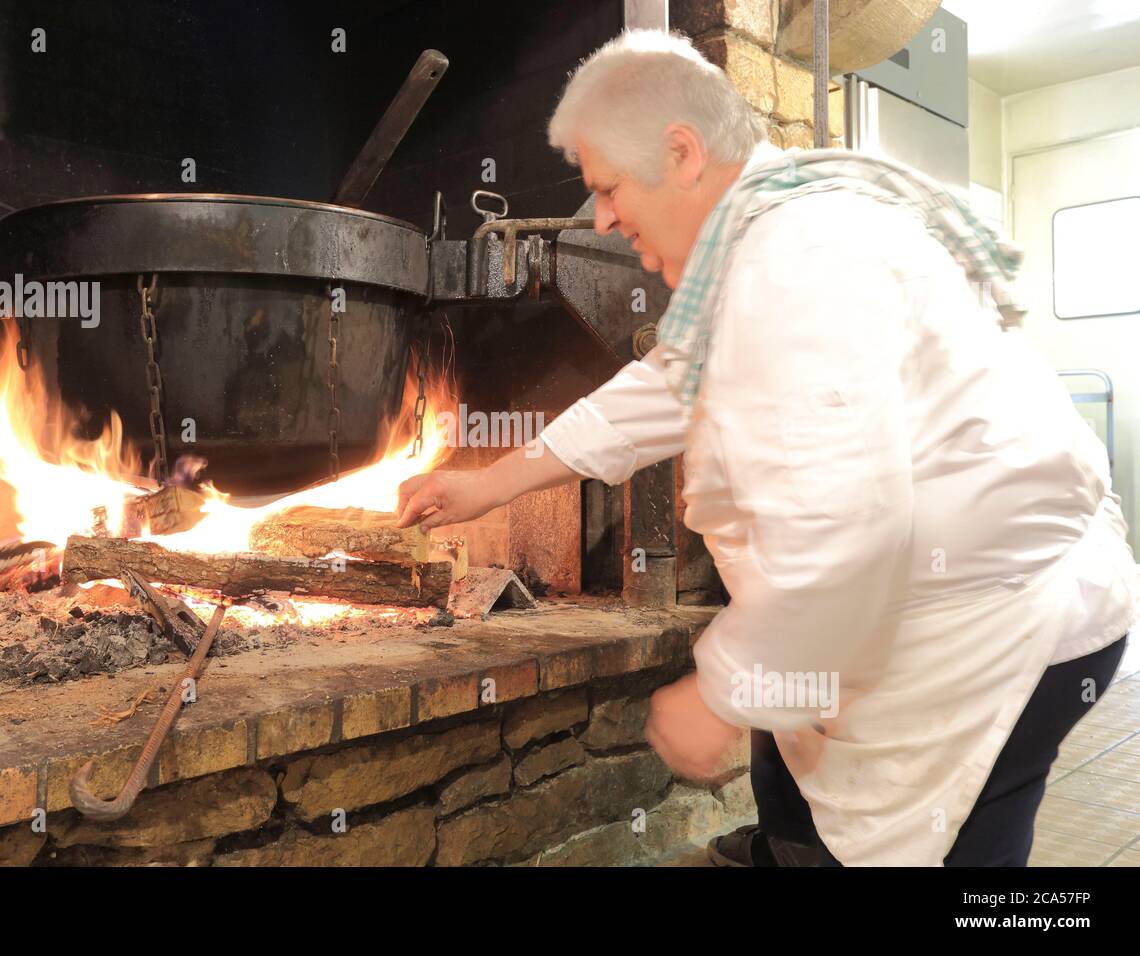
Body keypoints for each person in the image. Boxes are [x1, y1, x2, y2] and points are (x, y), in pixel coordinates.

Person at [394, 29, 1137, 866]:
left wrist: (720, 694)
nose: (599, 217)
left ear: (680, 152)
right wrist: (490, 483)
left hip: (997, 628)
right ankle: (791, 848)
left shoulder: (799, 258)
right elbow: (662, 386)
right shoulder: (753, 244)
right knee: (789, 731)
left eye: (606, 188)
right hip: (926, 601)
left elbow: (849, 529)